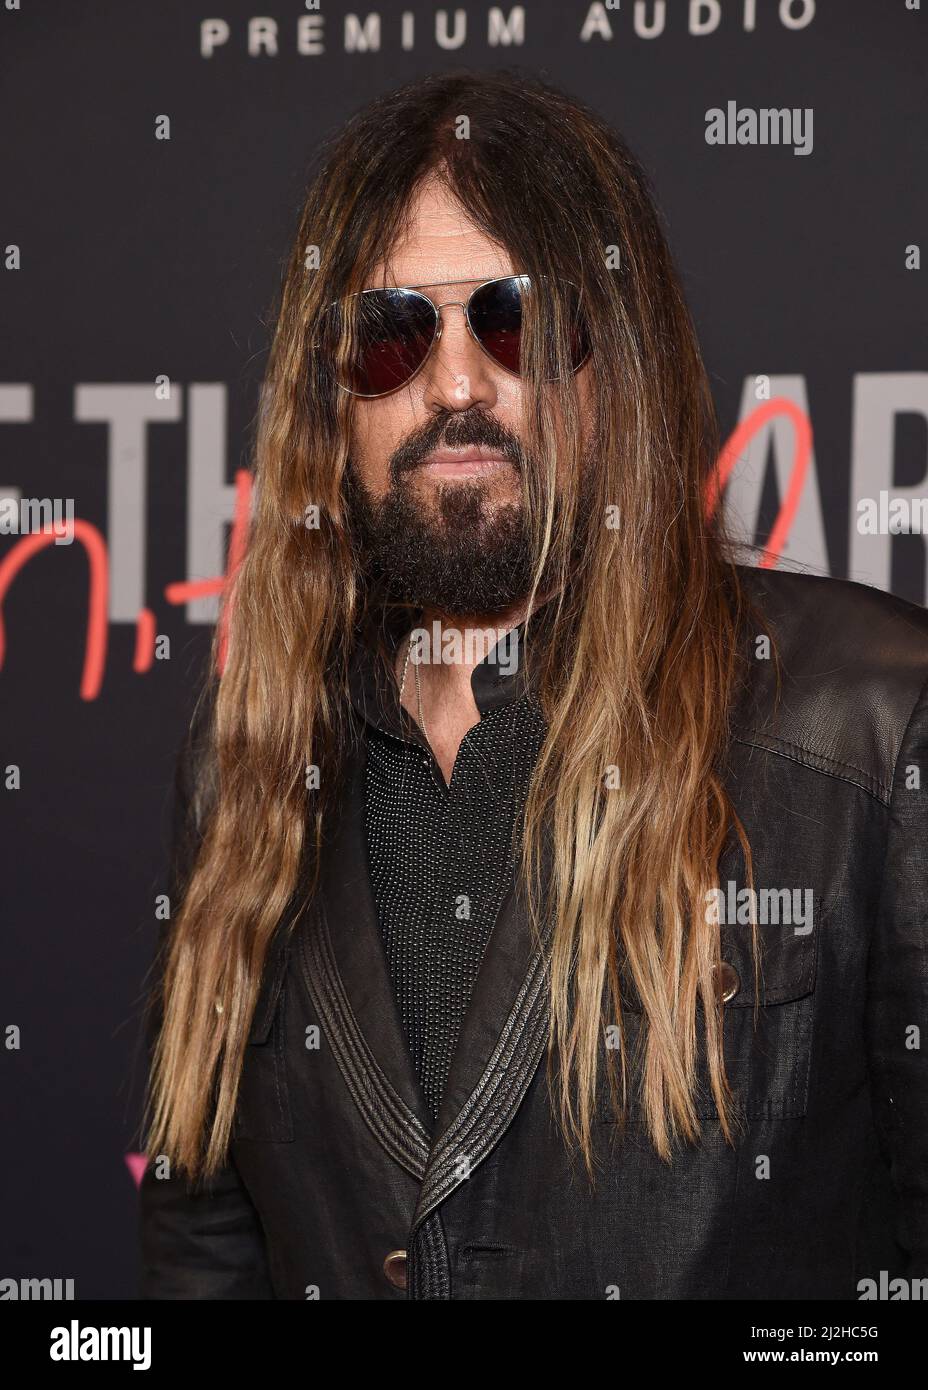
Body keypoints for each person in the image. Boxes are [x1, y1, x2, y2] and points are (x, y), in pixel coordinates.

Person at [139, 69, 928, 1300]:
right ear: (327, 401)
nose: (455, 384)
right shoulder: (248, 762)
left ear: (617, 370)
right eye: (395, 330)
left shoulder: (872, 727)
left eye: (517, 320)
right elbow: (202, 1245)